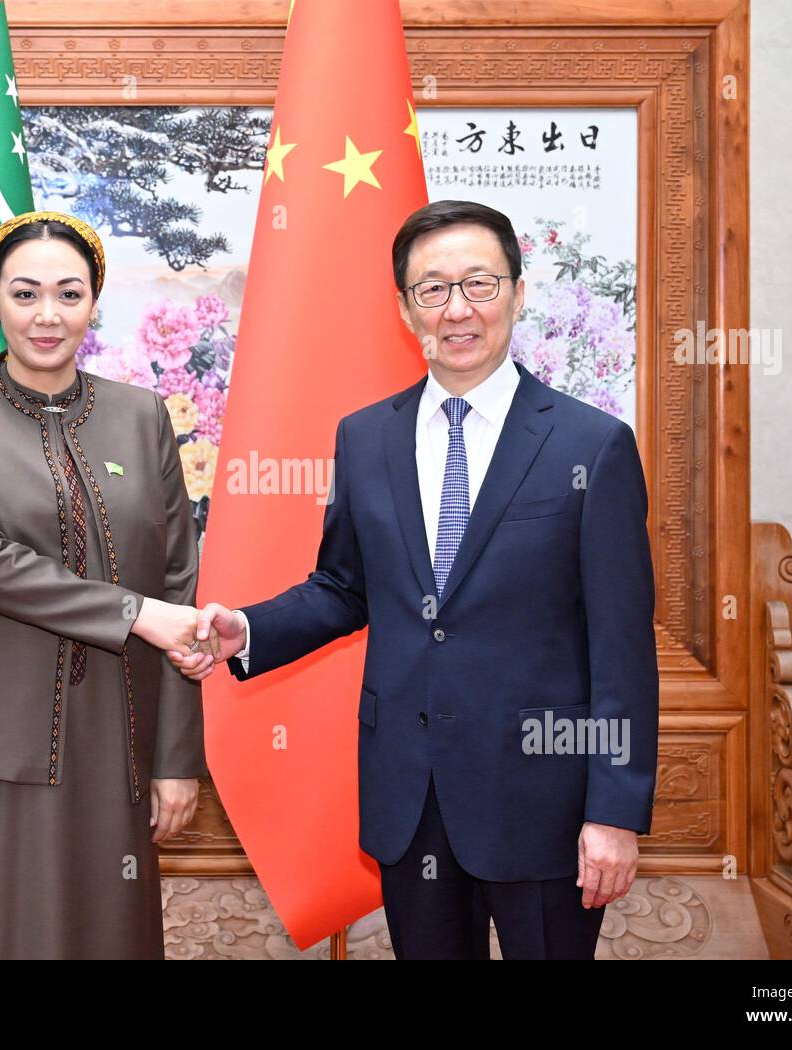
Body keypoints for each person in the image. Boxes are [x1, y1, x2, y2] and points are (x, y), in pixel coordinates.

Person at [174, 200, 659, 960]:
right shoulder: (367, 437)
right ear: (405, 308)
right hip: (412, 795)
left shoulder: (592, 447)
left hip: (547, 805)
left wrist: (615, 812)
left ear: (519, 293)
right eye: (432, 289)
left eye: (480, 283)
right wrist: (250, 628)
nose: (457, 309)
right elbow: (344, 588)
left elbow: (624, 648)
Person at [0, 209, 215, 959]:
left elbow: (179, 583)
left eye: (69, 294)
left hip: (116, 743)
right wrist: (135, 613)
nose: (48, 315)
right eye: (25, 293)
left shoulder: (141, 417)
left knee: (102, 935)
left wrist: (175, 758)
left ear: (94, 304)